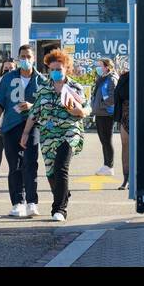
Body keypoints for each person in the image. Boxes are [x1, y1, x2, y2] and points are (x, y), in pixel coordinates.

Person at [21, 48, 88, 222]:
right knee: (51, 173)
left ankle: (59, 209)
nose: (56, 72)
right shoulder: (43, 88)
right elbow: (34, 112)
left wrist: (77, 110)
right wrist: (26, 133)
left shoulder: (75, 87)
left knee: (61, 167)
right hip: (48, 135)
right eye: (52, 69)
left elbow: (86, 110)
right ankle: (63, 194)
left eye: (59, 69)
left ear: (66, 68)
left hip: (69, 133)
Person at [0, 44, 44, 219]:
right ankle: (17, 203)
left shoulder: (41, 80)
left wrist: (32, 106)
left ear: (34, 58)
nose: (26, 60)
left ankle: (31, 202)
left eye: (29, 57)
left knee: (30, 163)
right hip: (11, 126)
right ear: (18, 58)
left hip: (32, 126)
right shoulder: (7, 79)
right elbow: (0, 102)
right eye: (22, 56)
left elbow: (46, 106)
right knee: (14, 166)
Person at [90, 58, 119, 177]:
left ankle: (109, 166)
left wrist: (100, 105)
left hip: (106, 114)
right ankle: (106, 165)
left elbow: (113, 98)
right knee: (104, 141)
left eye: (100, 65)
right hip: (100, 113)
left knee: (107, 140)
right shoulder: (102, 79)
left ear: (107, 67)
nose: (98, 68)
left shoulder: (111, 79)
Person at [114, 66, 130, 190]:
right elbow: (118, 95)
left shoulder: (143, 75)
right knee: (125, 146)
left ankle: (137, 178)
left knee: (139, 148)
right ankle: (126, 178)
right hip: (125, 116)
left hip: (139, 116)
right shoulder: (124, 78)